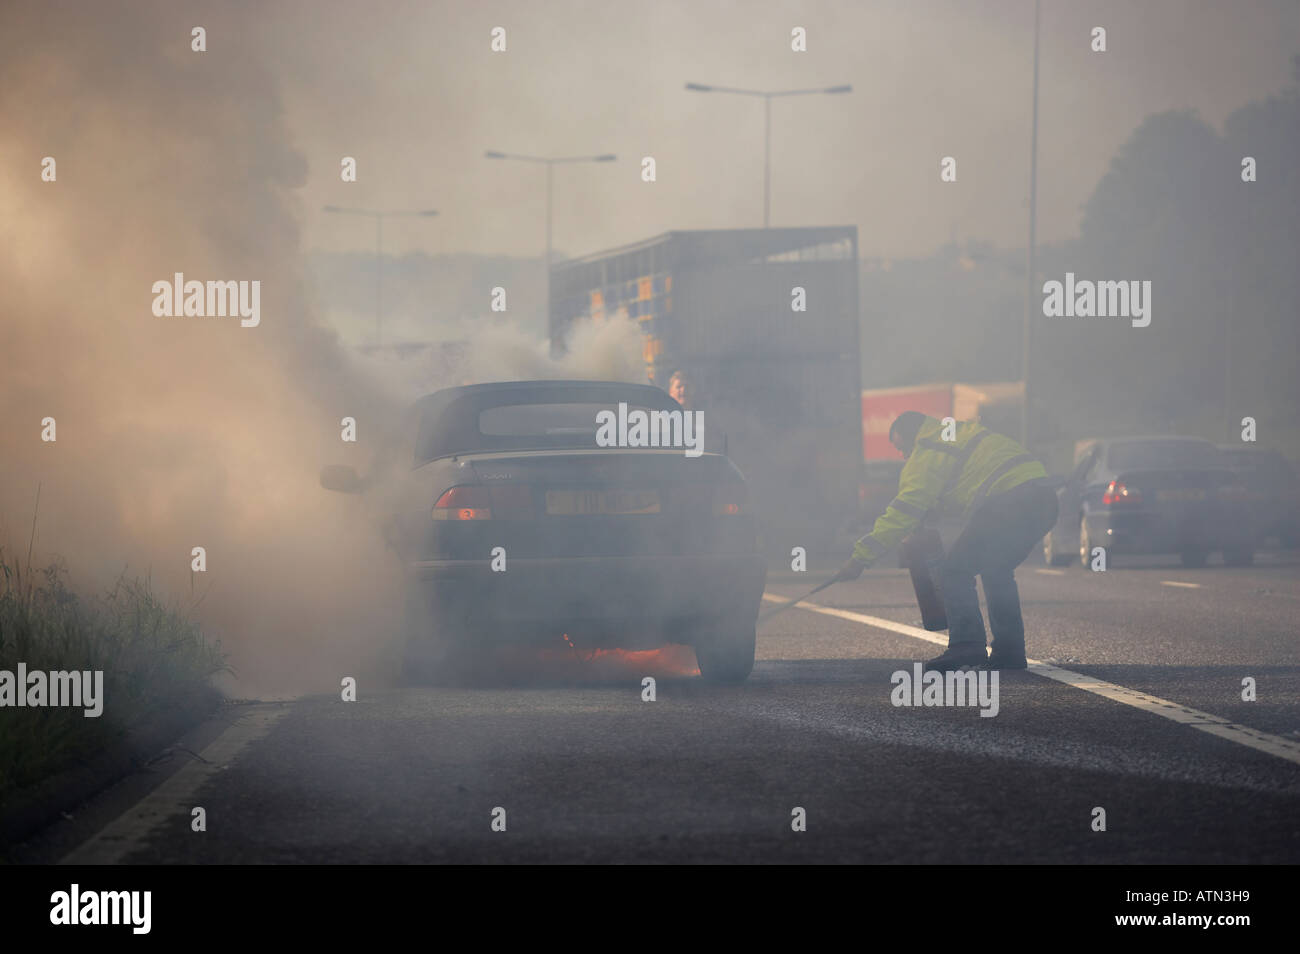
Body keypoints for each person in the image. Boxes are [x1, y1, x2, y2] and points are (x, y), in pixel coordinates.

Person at [835, 411, 1058, 671]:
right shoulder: (956, 435)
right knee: (997, 570)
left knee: (954, 571)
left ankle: (967, 646)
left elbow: (904, 511)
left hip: (1009, 502)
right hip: (1043, 500)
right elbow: (968, 481)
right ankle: (1010, 652)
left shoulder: (927, 449)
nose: (904, 456)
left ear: (912, 435)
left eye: (902, 448)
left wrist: (859, 559)